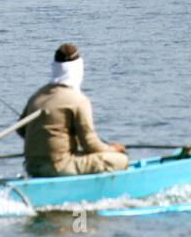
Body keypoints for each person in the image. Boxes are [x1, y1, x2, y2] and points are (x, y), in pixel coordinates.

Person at [18, 43, 128, 177]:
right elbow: (89, 143)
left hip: (31, 166)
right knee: (121, 160)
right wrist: (112, 149)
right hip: (58, 166)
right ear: (78, 69)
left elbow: (21, 129)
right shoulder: (78, 100)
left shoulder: (37, 95)